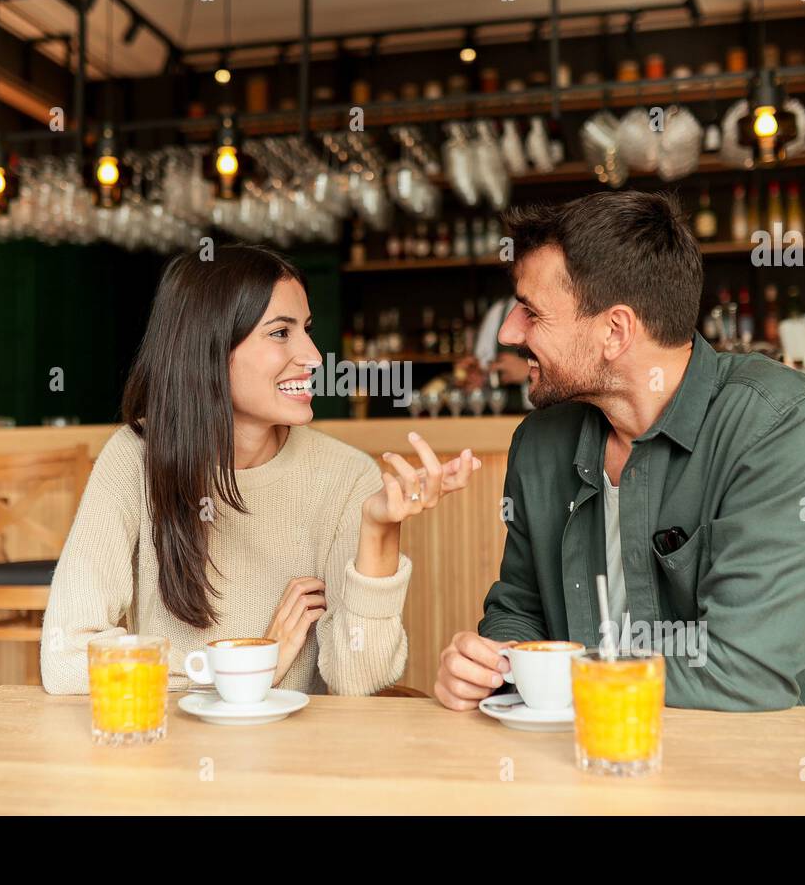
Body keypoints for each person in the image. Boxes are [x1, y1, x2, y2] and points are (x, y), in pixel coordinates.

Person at [434, 191, 805, 712]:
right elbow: (520, 606)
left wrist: (554, 676)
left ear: (615, 330)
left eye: (531, 313)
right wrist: (494, 662)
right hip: (575, 761)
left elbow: (746, 671)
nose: (507, 333)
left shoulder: (783, 427)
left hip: (749, 773)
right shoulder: (540, 442)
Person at [42, 245, 480, 696]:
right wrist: (247, 664)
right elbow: (66, 658)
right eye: (280, 333)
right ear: (208, 348)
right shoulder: (134, 458)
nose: (313, 356)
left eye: (306, 330)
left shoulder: (346, 476)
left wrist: (378, 533)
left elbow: (359, 684)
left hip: (296, 755)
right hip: (173, 754)